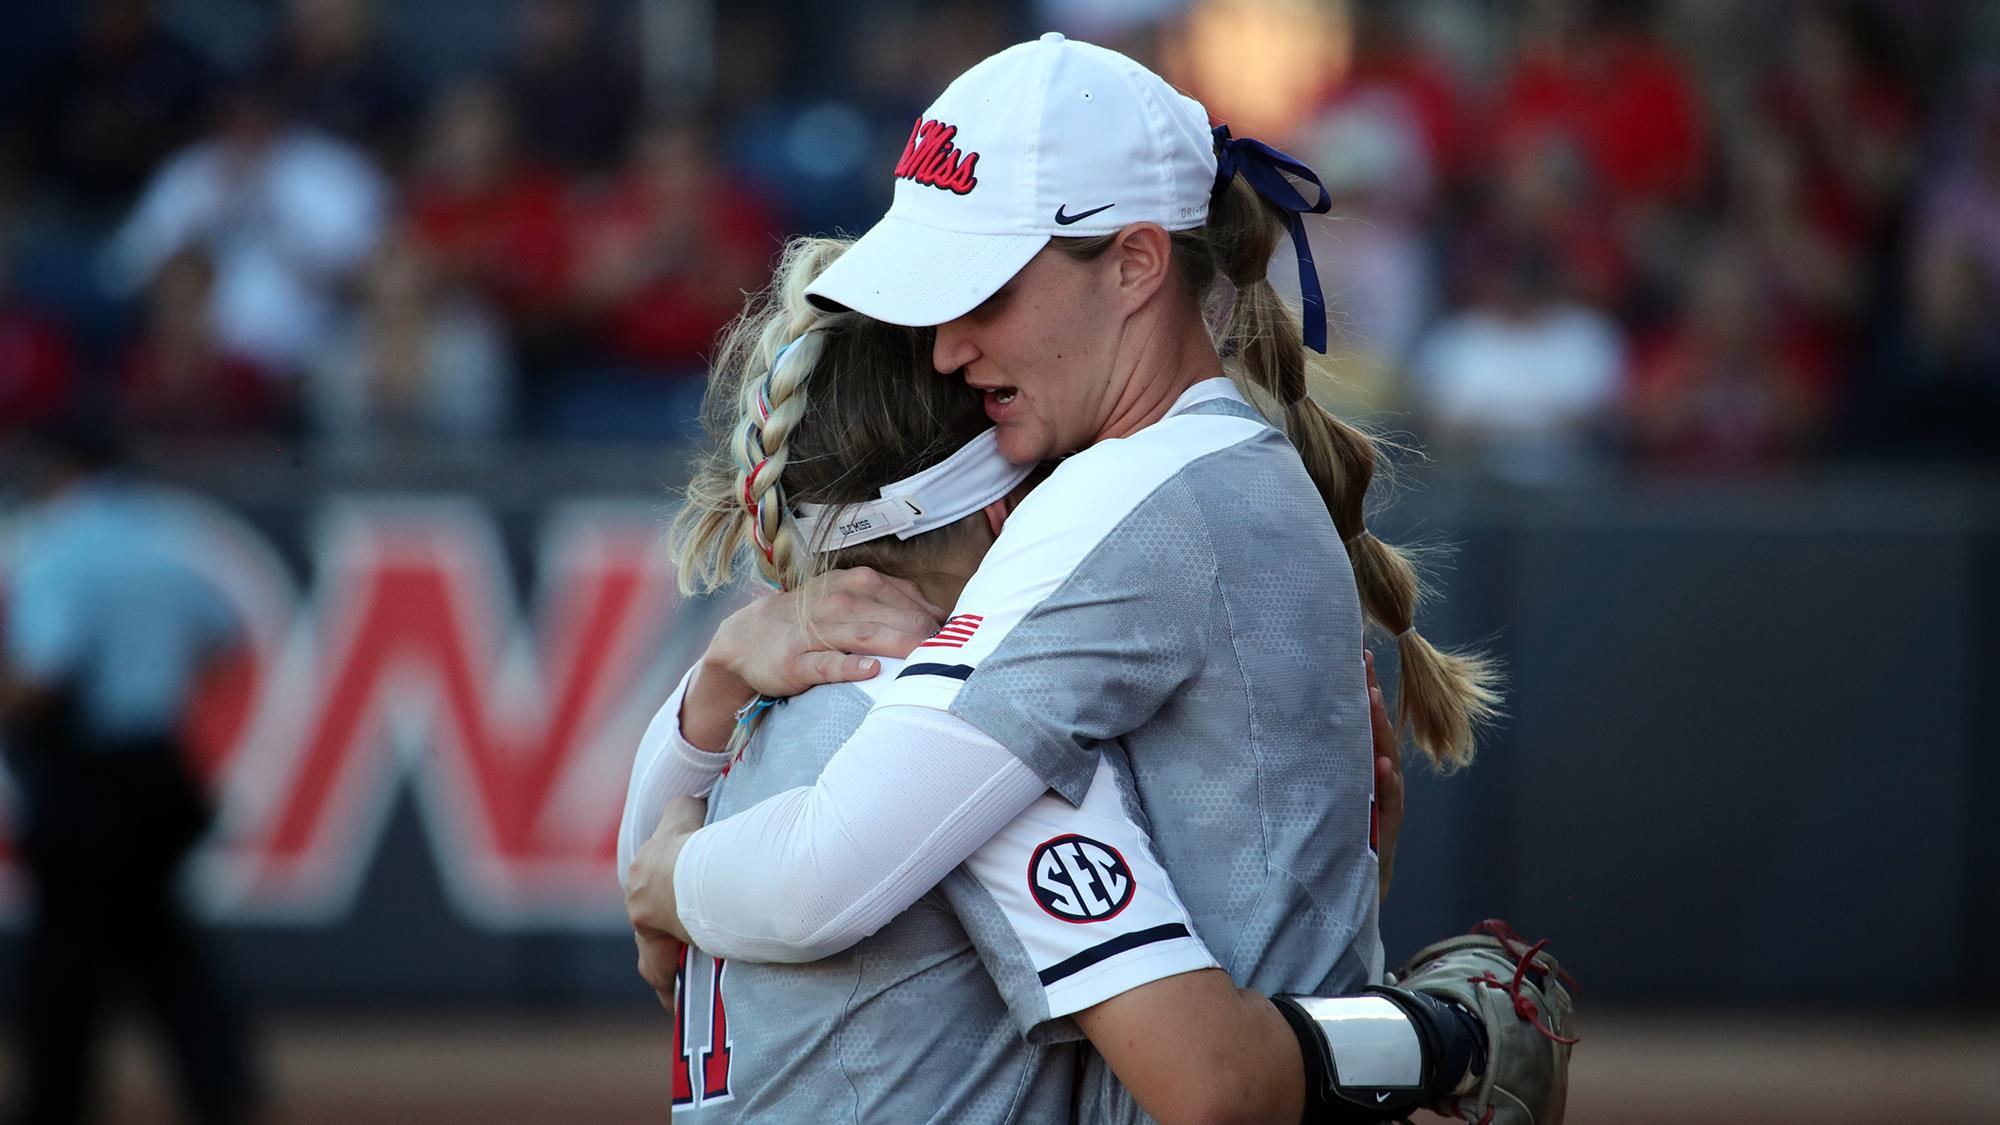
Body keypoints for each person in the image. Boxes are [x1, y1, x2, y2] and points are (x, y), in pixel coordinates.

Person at [629, 34, 1569, 1125]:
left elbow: (818, 876)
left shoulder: (1117, 505)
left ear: (1132, 263)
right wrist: (1420, 1038)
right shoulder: (1203, 473)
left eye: (980, 291)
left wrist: (667, 876)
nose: (945, 348)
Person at [1, 424, 260, 1125]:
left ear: (63, 472)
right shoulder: (166, 539)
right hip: (159, 767)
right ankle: (223, 1089)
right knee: (163, 944)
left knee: (65, 959)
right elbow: (225, 641)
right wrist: (158, 683)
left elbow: (48, 672)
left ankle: (54, 1102)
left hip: (88, 773)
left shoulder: (56, 548)